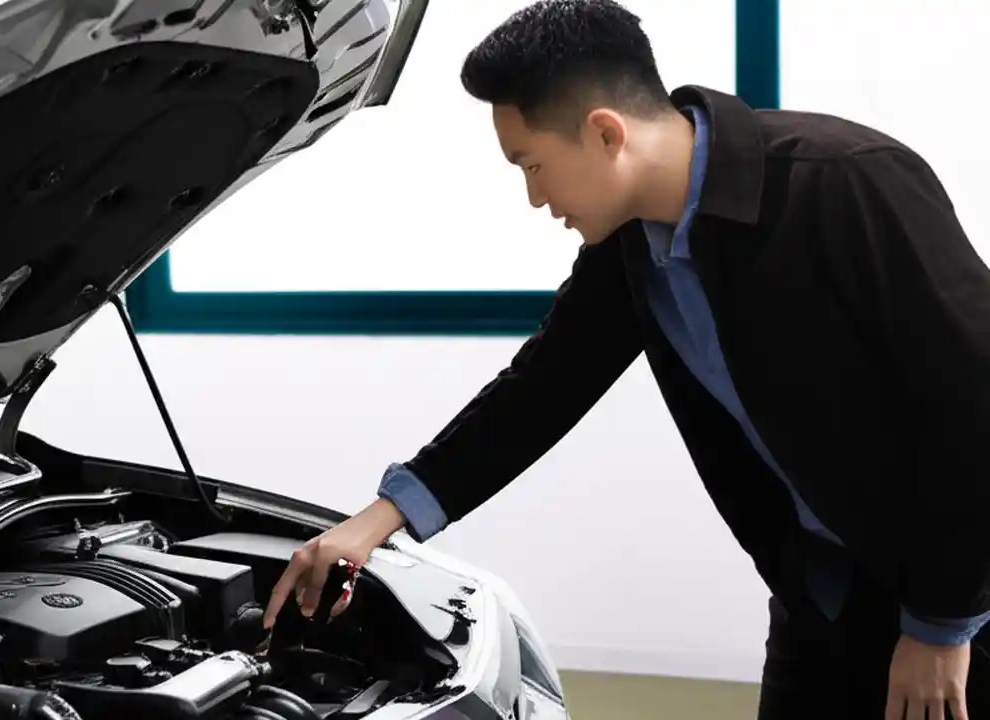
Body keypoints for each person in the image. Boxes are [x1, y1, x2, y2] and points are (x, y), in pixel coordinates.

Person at [262, 0, 990, 717]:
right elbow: (539, 390)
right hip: (822, 594)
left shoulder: (843, 182)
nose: (535, 196)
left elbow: (972, 409)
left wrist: (940, 621)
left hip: (960, 593)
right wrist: (378, 519)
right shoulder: (631, 247)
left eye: (533, 165)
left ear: (605, 133)